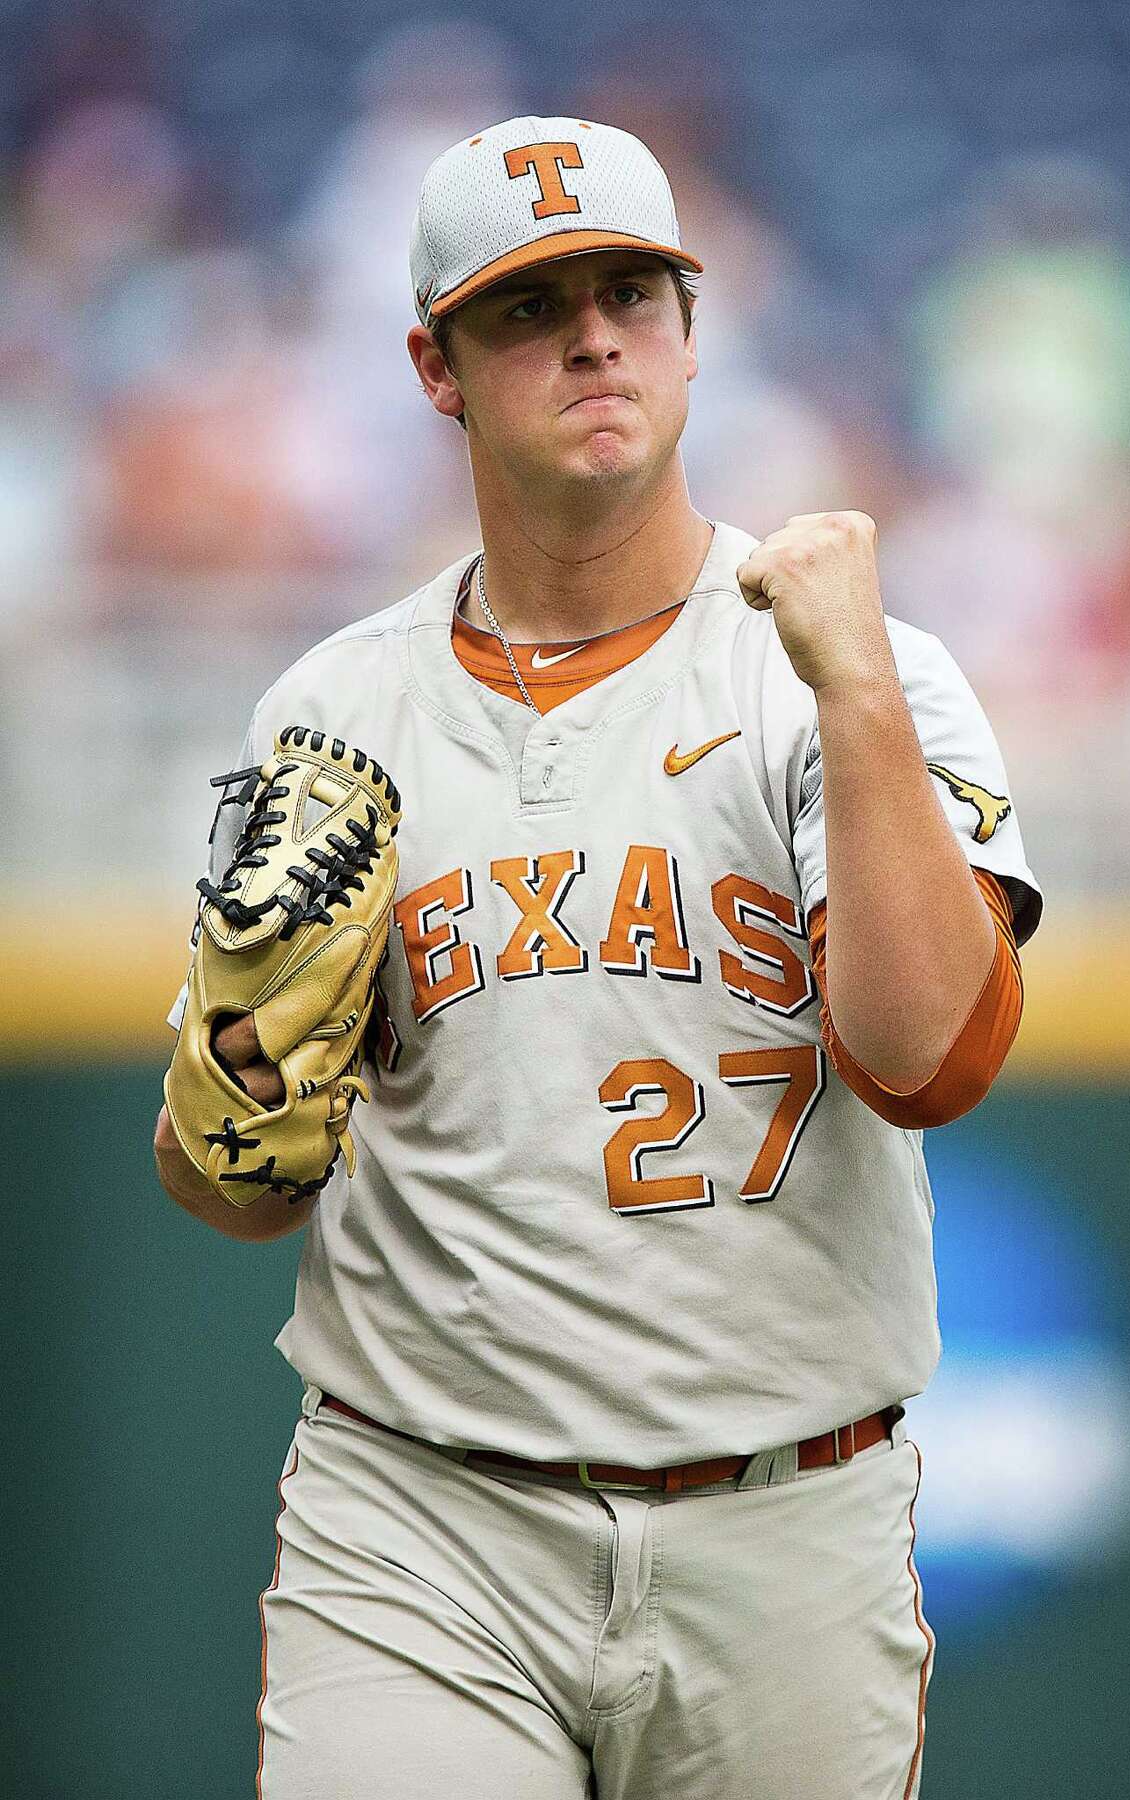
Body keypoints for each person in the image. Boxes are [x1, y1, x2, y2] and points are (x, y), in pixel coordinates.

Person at [153, 115, 1043, 1800]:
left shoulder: (859, 670)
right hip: (424, 1522)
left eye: (632, 292)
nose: (592, 339)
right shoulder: (334, 712)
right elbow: (232, 1188)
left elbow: (933, 1061)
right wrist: (234, 1094)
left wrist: (856, 694)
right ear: (435, 368)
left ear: (693, 335)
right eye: (528, 305)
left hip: (789, 1521)